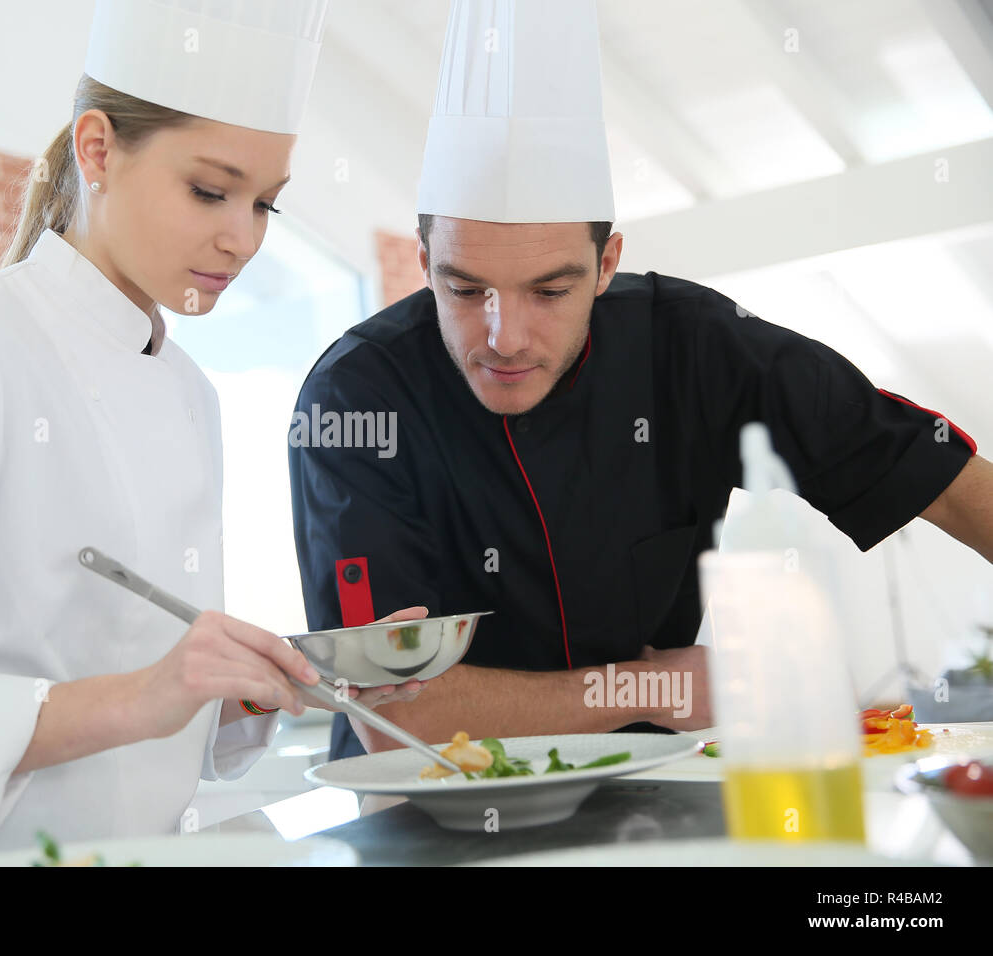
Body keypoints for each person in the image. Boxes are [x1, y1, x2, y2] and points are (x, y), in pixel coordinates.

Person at [0, 0, 423, 866]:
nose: (243, 238)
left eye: (267, 203)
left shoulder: (192, 392)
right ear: (96, 150)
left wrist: (260, 685)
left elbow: (154, 718)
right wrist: (138, 696)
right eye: (210, 189)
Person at [288, 0, 993, 761]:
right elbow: (400, 715)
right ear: (424, 264)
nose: (505, 337)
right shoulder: (356, 399)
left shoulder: (695, 347)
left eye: (551, 292)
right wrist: (652, 688)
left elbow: (942, 479)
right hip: (421, 814)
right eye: (464, 290)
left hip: (645, 794)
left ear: (608, 264)